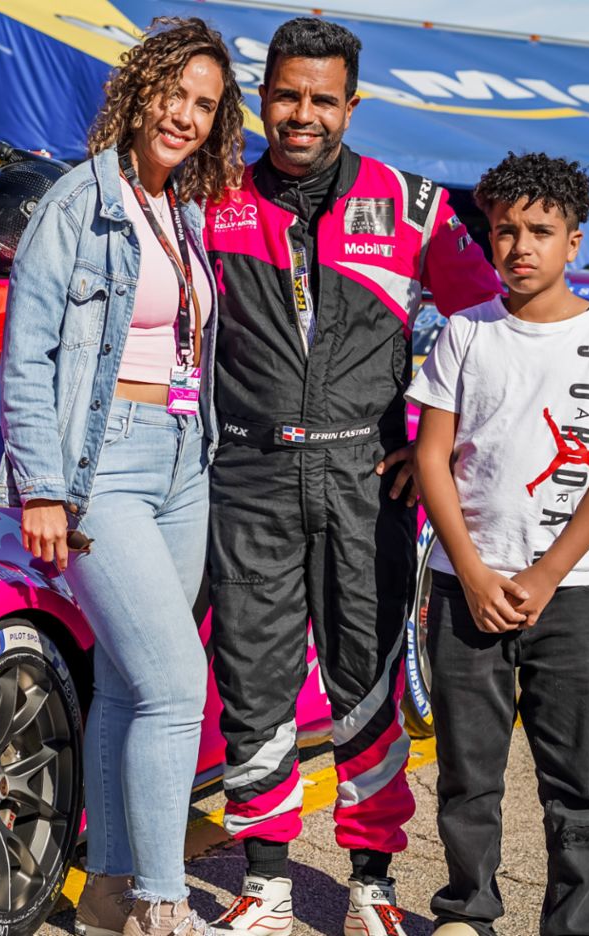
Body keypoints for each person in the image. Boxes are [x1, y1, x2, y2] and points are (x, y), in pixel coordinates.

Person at [202, 17, 501, 936]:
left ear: (351, 104)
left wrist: (433, 443)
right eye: (287, 95)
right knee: (253, 682)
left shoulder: (411, 205)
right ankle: (268, 881)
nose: (302, 115)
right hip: (246, 470)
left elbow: (487, 325)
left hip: (364, 473)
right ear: (262, 97)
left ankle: (371, 878)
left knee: (365, 683)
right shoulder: (208, 199)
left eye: (322, 99)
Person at [0, 17, 244, 936]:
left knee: (135, 686)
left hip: (185, 457)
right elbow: (28, 357)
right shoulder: (77, 202)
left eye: (205, 105)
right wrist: (46, 488)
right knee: (177, 687)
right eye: (174, 94)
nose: (184, 115)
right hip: (105, 459)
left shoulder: (177, 209)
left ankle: (105, 889)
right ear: (138, 92)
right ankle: (160, 905)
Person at [409, 152, 589, 936]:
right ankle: (467, 911)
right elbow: (430, 457)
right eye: (504, 231)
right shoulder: (464, 333)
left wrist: (548, 574)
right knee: (466, 774)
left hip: (574, 596)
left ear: (574, 240)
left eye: (539, 232)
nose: (519, 247)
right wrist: (476, 575)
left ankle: (573, 923)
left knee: (576, 780)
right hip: (464, 590)